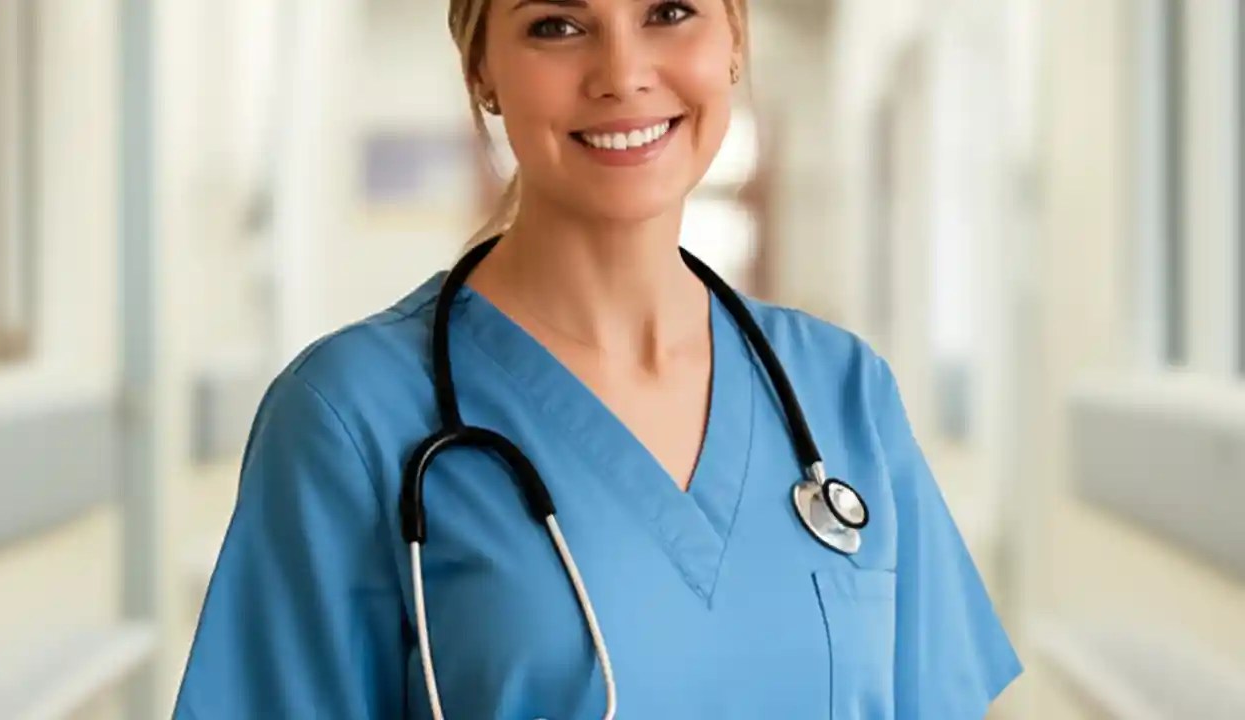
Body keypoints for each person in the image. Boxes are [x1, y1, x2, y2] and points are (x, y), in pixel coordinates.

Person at [173, 0, 1023, 717]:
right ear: (482, 71)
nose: (622, 72)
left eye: (670, 12)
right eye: (556, 25)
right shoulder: (351, 416)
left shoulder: (842, 391)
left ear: (733, 40)